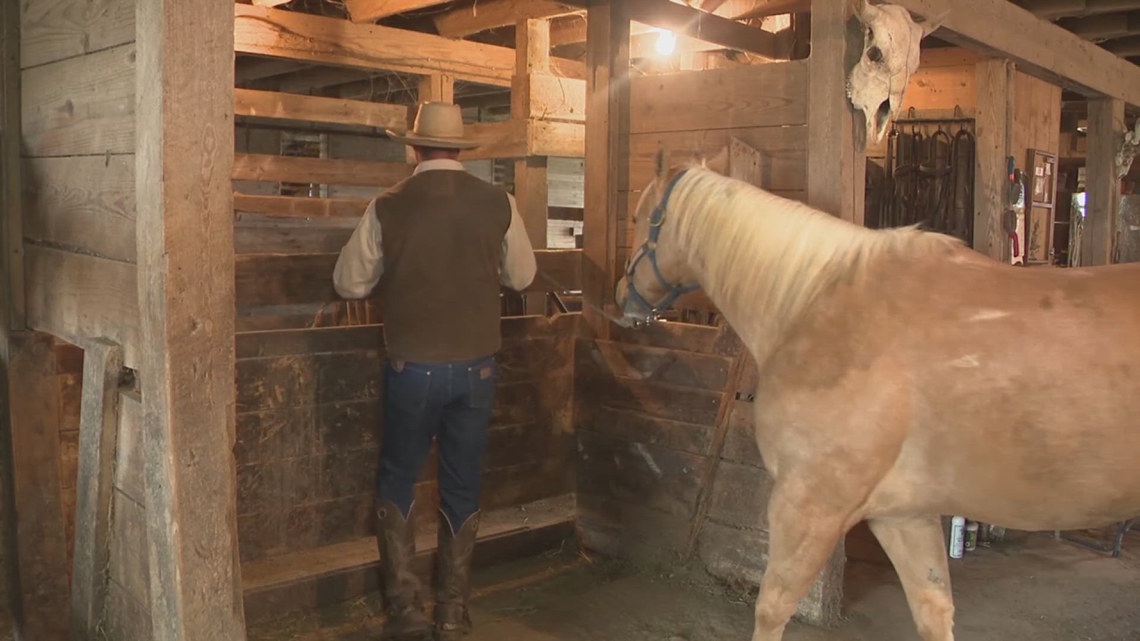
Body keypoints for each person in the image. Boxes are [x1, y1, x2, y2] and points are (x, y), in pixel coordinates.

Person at [332, 101, 537, 640]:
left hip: (412, 368)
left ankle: (406, 612)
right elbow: (522, 276)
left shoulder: (387, 205)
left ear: (414, 148)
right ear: (459, 150)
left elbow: (349, 283)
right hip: (477, 369)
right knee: (462, 483)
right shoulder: (498, 202)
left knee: (398, 477)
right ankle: (452, 612)